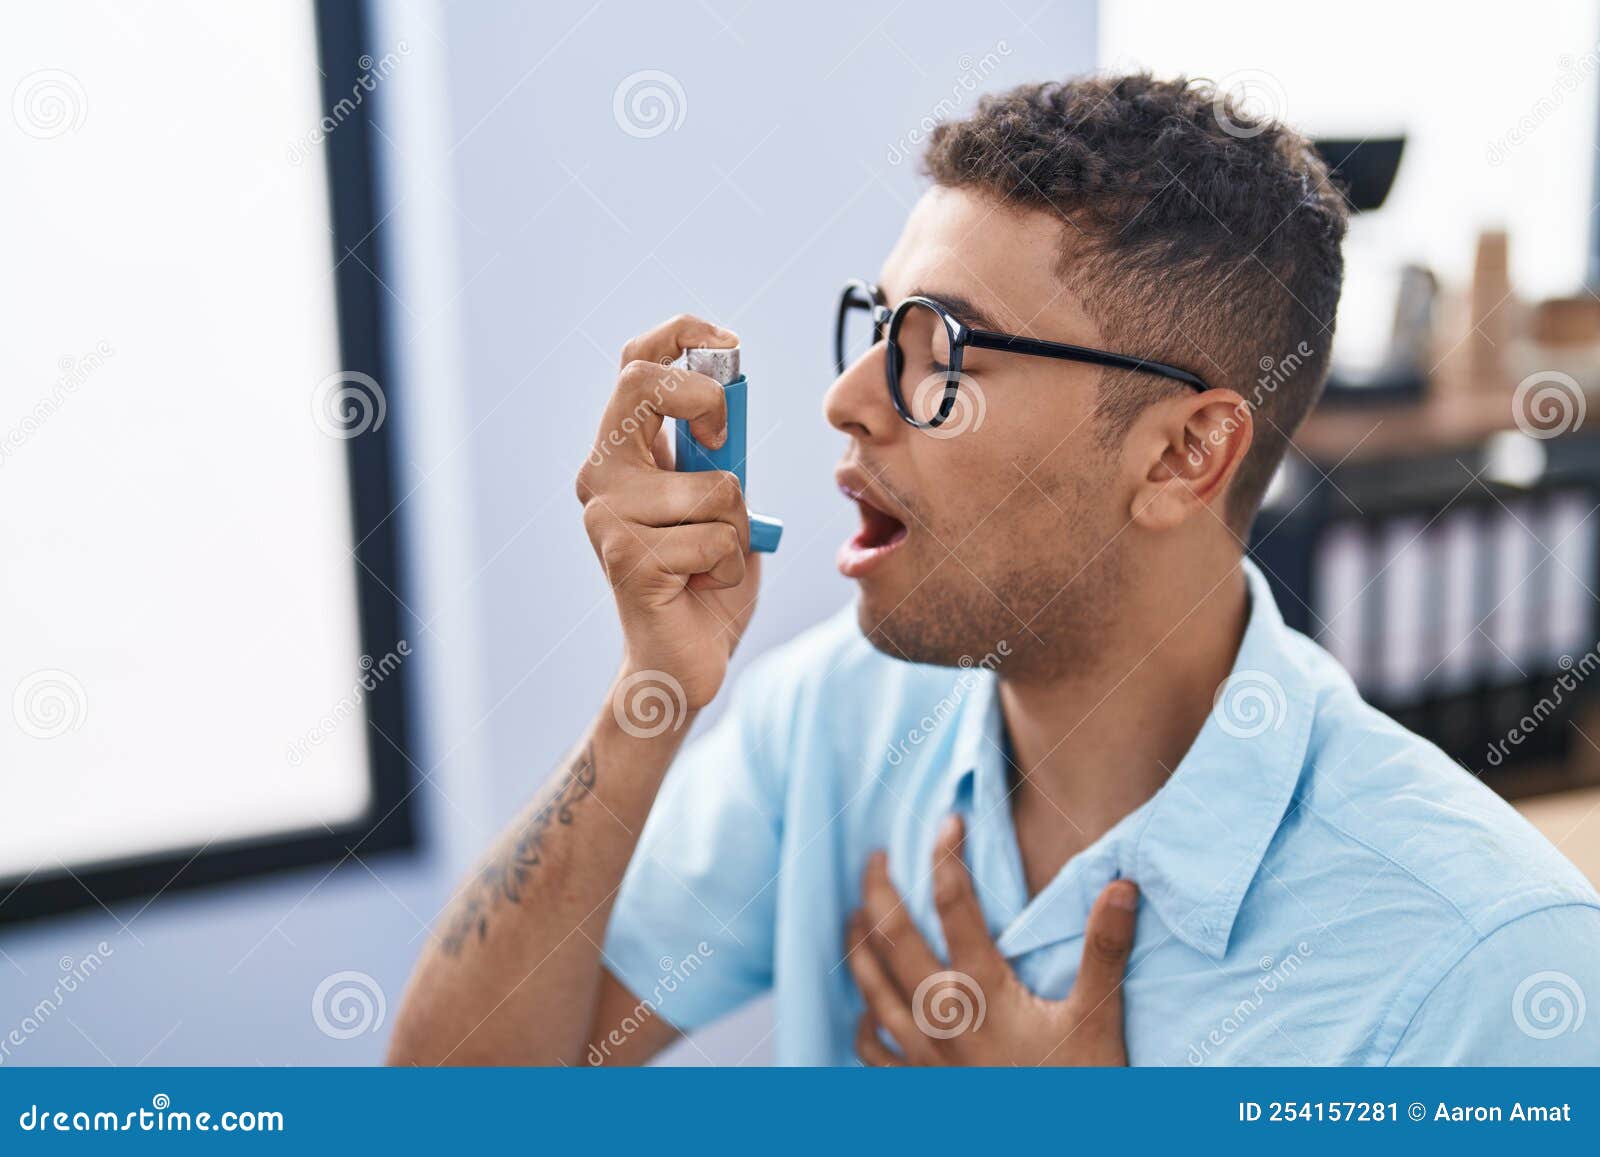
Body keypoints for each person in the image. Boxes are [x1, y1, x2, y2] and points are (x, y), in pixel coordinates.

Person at [388, 74, 1600, 1067]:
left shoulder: (1496, 969)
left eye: (943, 352)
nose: (846, 399)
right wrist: (649, 690)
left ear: (1182, 453)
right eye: (879, 327)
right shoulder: (829, 721)